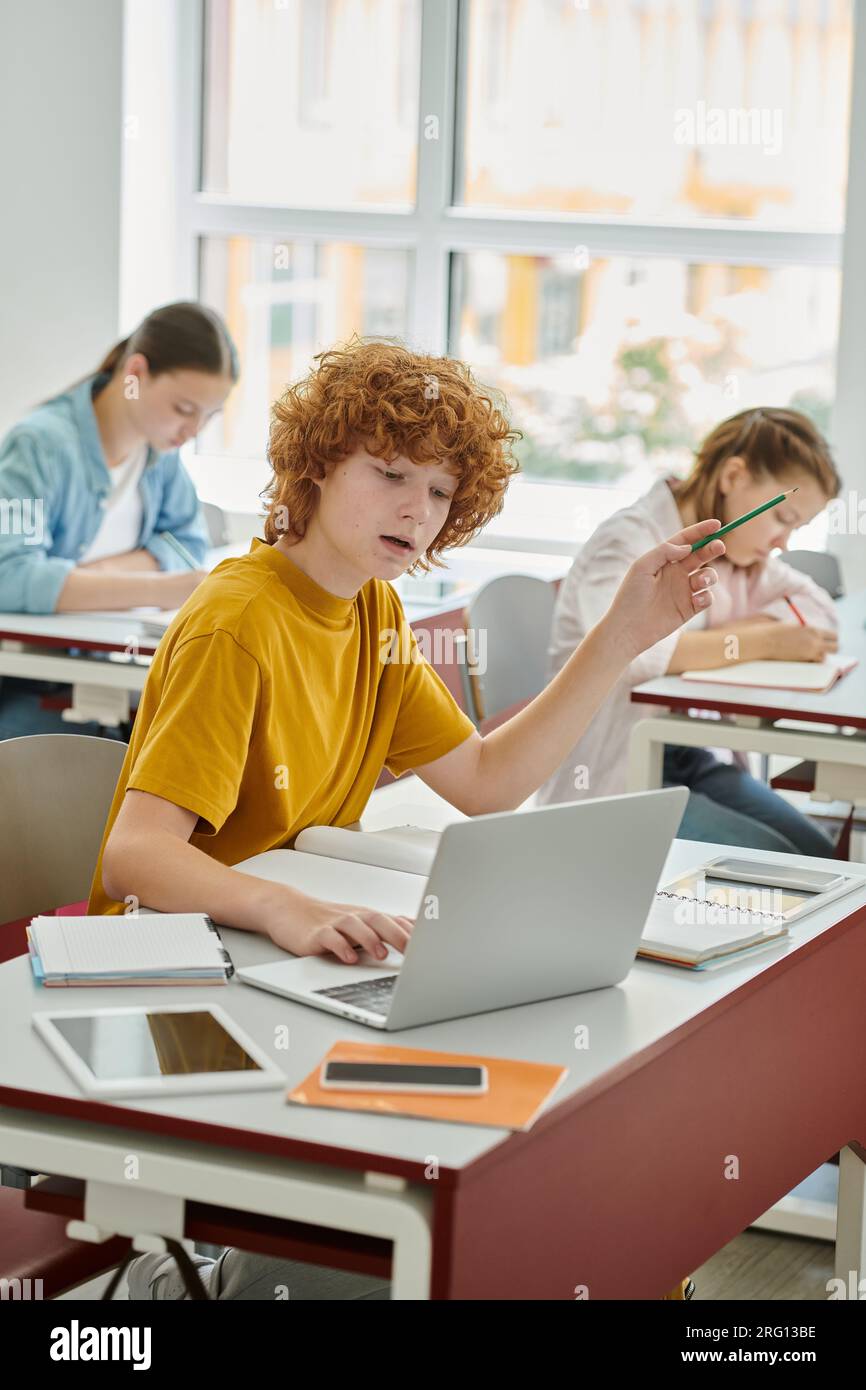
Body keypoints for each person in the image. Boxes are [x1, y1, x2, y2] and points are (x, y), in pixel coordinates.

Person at [87, 337, 725, 1299]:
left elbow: (486, 780)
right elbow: (135, 857)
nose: (416, 509)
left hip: (290, 968)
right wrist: (284, 909)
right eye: (389, 474)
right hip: (181, 991)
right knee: (460, 1189)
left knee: (548, 1133)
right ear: (314, 466)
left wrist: (620, 636)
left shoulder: (374, 614)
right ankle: (186, 1286)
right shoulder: (238, 622)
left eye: (438, 491)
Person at [537, 407, 841, 857]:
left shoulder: (734, 554)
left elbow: (821, 615)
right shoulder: (627, 540)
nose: (784, 543)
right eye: (783, 518)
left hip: (684, 755)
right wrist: (767, 640)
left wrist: (723, 640)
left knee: (821, 853)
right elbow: (634, 654)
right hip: (612, 778)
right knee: (786, 864)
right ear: (733, 476)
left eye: (797, 528)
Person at [0, 301, 238, 739]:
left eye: (209, 416)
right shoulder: (37, 446)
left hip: (110, 678)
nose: (193, 431)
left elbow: (187, 539)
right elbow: (10, 577)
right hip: (31, 687)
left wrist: (99, 573)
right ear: (135, 374)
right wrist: (165, 589)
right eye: (184, 409)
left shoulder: (159, 452)